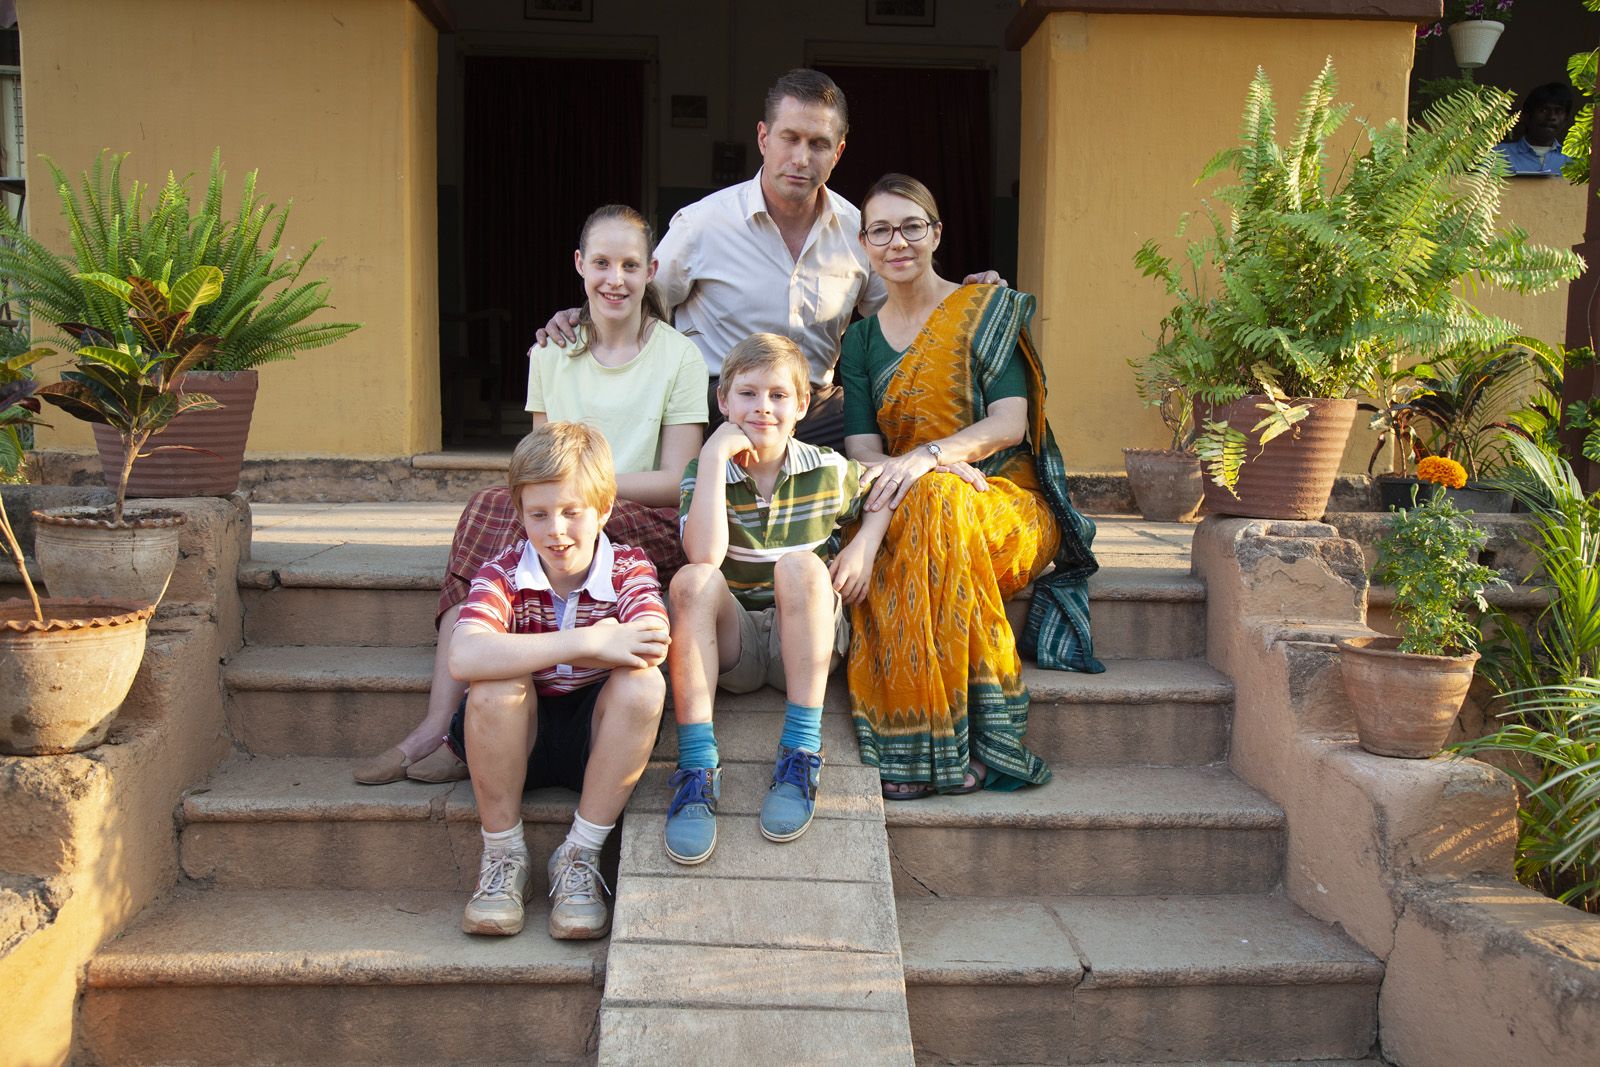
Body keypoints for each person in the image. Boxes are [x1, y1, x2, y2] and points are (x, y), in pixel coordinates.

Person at [352, 204, 707, 786]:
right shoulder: (551, 353)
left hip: (639, 518)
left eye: (629, 264)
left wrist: (586, 493)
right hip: (561, 513)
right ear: (579, 265)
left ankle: (460, 727)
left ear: (651, 270)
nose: (614, 278)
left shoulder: (679, 357)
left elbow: (676, 481)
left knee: (527, 509)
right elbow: (537, 467)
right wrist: (563, 499)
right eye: (601, 263)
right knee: (493, 507)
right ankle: (440, 725)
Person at [537, 68, 1004, 451]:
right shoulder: (703, 223)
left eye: (818, 144)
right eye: (789, 138)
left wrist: (968, 301)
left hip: (814, 407)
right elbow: (640, 298)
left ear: (838, 152)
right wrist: (582, 318)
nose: (801, 157)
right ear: (764, 138)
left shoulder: (859, 230)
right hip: (716, 399)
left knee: (887, 444)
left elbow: (905, 312)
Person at [837, 174, 1101, 801]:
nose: (896, 241)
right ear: (864, 242)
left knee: (945, 498)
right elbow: (863, 451)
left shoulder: (983, 311)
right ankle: (949, 744)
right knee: (934, 503)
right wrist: (918, 474)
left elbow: (1009, 423)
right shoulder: (862, 340)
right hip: (905, 499)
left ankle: (948, 742)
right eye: (881, 229)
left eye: (911, 226)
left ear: (936, 233)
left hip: (1003, 502)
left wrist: (932, 457)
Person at [662, 333, 891, 863]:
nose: (762, 407)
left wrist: (865, 546)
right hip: (736, 648)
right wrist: (717, 458)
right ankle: (696, 765)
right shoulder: (704, 471)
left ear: (802, 405)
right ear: (723, 402)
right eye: (746, 394)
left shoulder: (829, 469)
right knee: (690, 582)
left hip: (804, 644)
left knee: (800, 566)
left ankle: (801, 751)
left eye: (778, 395)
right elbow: (704, 555)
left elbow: (880, 492)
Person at [446, 422, 668, 940]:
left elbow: (652, 638)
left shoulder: (628, 566)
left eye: (572, 512)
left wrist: (616, 643)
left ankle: (579, 857)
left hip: (592, 741)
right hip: (510, 735)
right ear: (519, 515)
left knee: (644, 684)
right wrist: (589, 641)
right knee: (495, 681)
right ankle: (503, 859)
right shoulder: (502, 571)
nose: (556, 531)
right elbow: (464, 655)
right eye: (539, 515)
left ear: (604, 510)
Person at [1496, 82, 1575, 176]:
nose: (1551, 117)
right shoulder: (1499, 154)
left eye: (1558, 111)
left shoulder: (1574, 161)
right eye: (1544, 110)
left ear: (1565, 120)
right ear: (1527, 116)